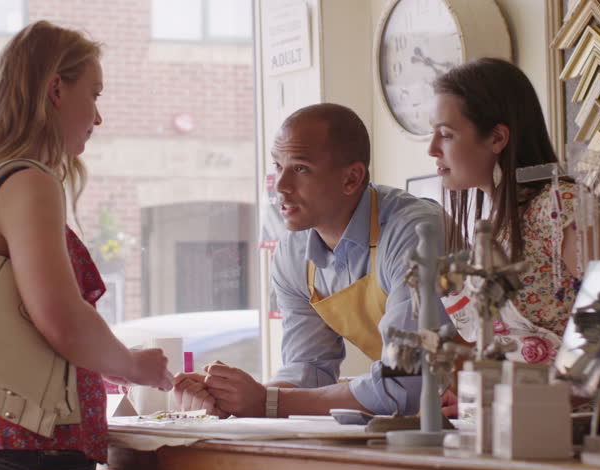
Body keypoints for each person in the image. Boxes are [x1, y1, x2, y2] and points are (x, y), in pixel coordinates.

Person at [0, 21, 173, 470]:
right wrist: (132, 365)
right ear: (56, 90)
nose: (98, 118)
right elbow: (60, 318)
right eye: (94, 94)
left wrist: (104, 360)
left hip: (3, 448)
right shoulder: (29, 183)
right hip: (33, 454)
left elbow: (27, 325)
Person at [174, 103, 456, 418]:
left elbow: (406, 380)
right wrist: (231, 398)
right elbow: (308, 370)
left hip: (483, 407)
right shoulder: (293, 252)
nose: (280, 186)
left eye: (300, 169)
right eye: (278, 166)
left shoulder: (414, 232)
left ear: (351, 178)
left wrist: (267, 402)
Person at [428, 57, 600, 364]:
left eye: (446, 134)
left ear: (497, 138)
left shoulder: (561, 207)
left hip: (571, 396)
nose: (432, 149)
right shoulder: (495, 224)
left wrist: (559, 387)